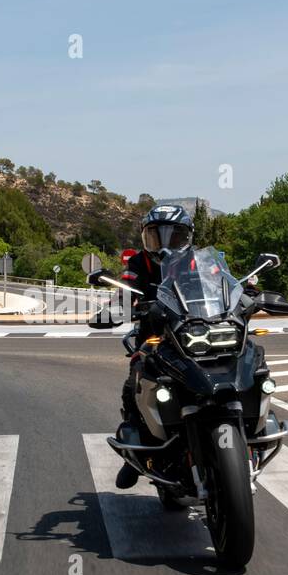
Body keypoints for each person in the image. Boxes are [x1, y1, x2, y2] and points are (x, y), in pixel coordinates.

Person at [115, 204, 194, 488]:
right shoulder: (138, 263)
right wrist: (119, 306)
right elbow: (124, 292)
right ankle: (132, 458)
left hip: (193, 335)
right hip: (155, 340)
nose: (164, 244)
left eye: (173, 236)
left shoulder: (199, 261)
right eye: (156, 236)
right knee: (132, 387)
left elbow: (222, 282)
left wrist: (246, 291)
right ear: (145, 238)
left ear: (187, 237)